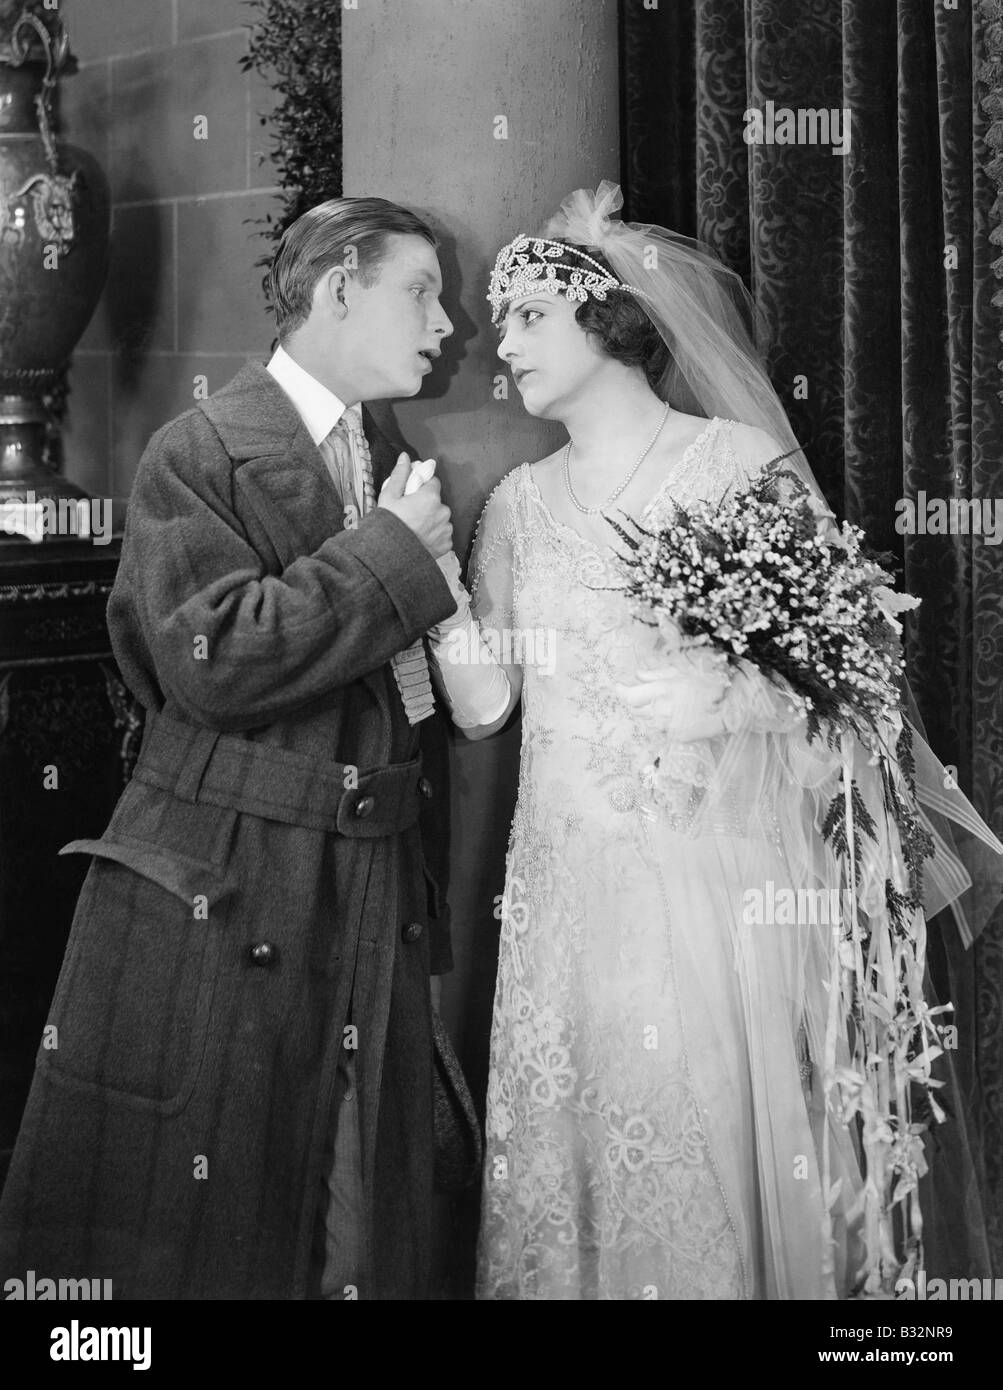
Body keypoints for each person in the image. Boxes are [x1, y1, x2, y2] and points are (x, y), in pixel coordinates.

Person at [425, 182, 1003, 1299]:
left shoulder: (732, 462)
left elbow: (848, 677)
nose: (504, 346)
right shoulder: (515, 507)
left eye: (528, 316)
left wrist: (722, 702)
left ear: (607, 318)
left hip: (716, 875)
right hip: (562, 892)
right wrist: (439, 591)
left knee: (712, 1135)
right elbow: (484, 707)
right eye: (500, 323)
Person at [0, 196, 468, 1299]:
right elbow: (211, 662)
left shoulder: (385, 452)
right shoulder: (198, 448)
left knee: (348, 1205)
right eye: (420, 292)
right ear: (339, 289)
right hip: (232, 868)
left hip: (363, 878)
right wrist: (393, 555)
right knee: (203, 1206)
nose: (446, 324)